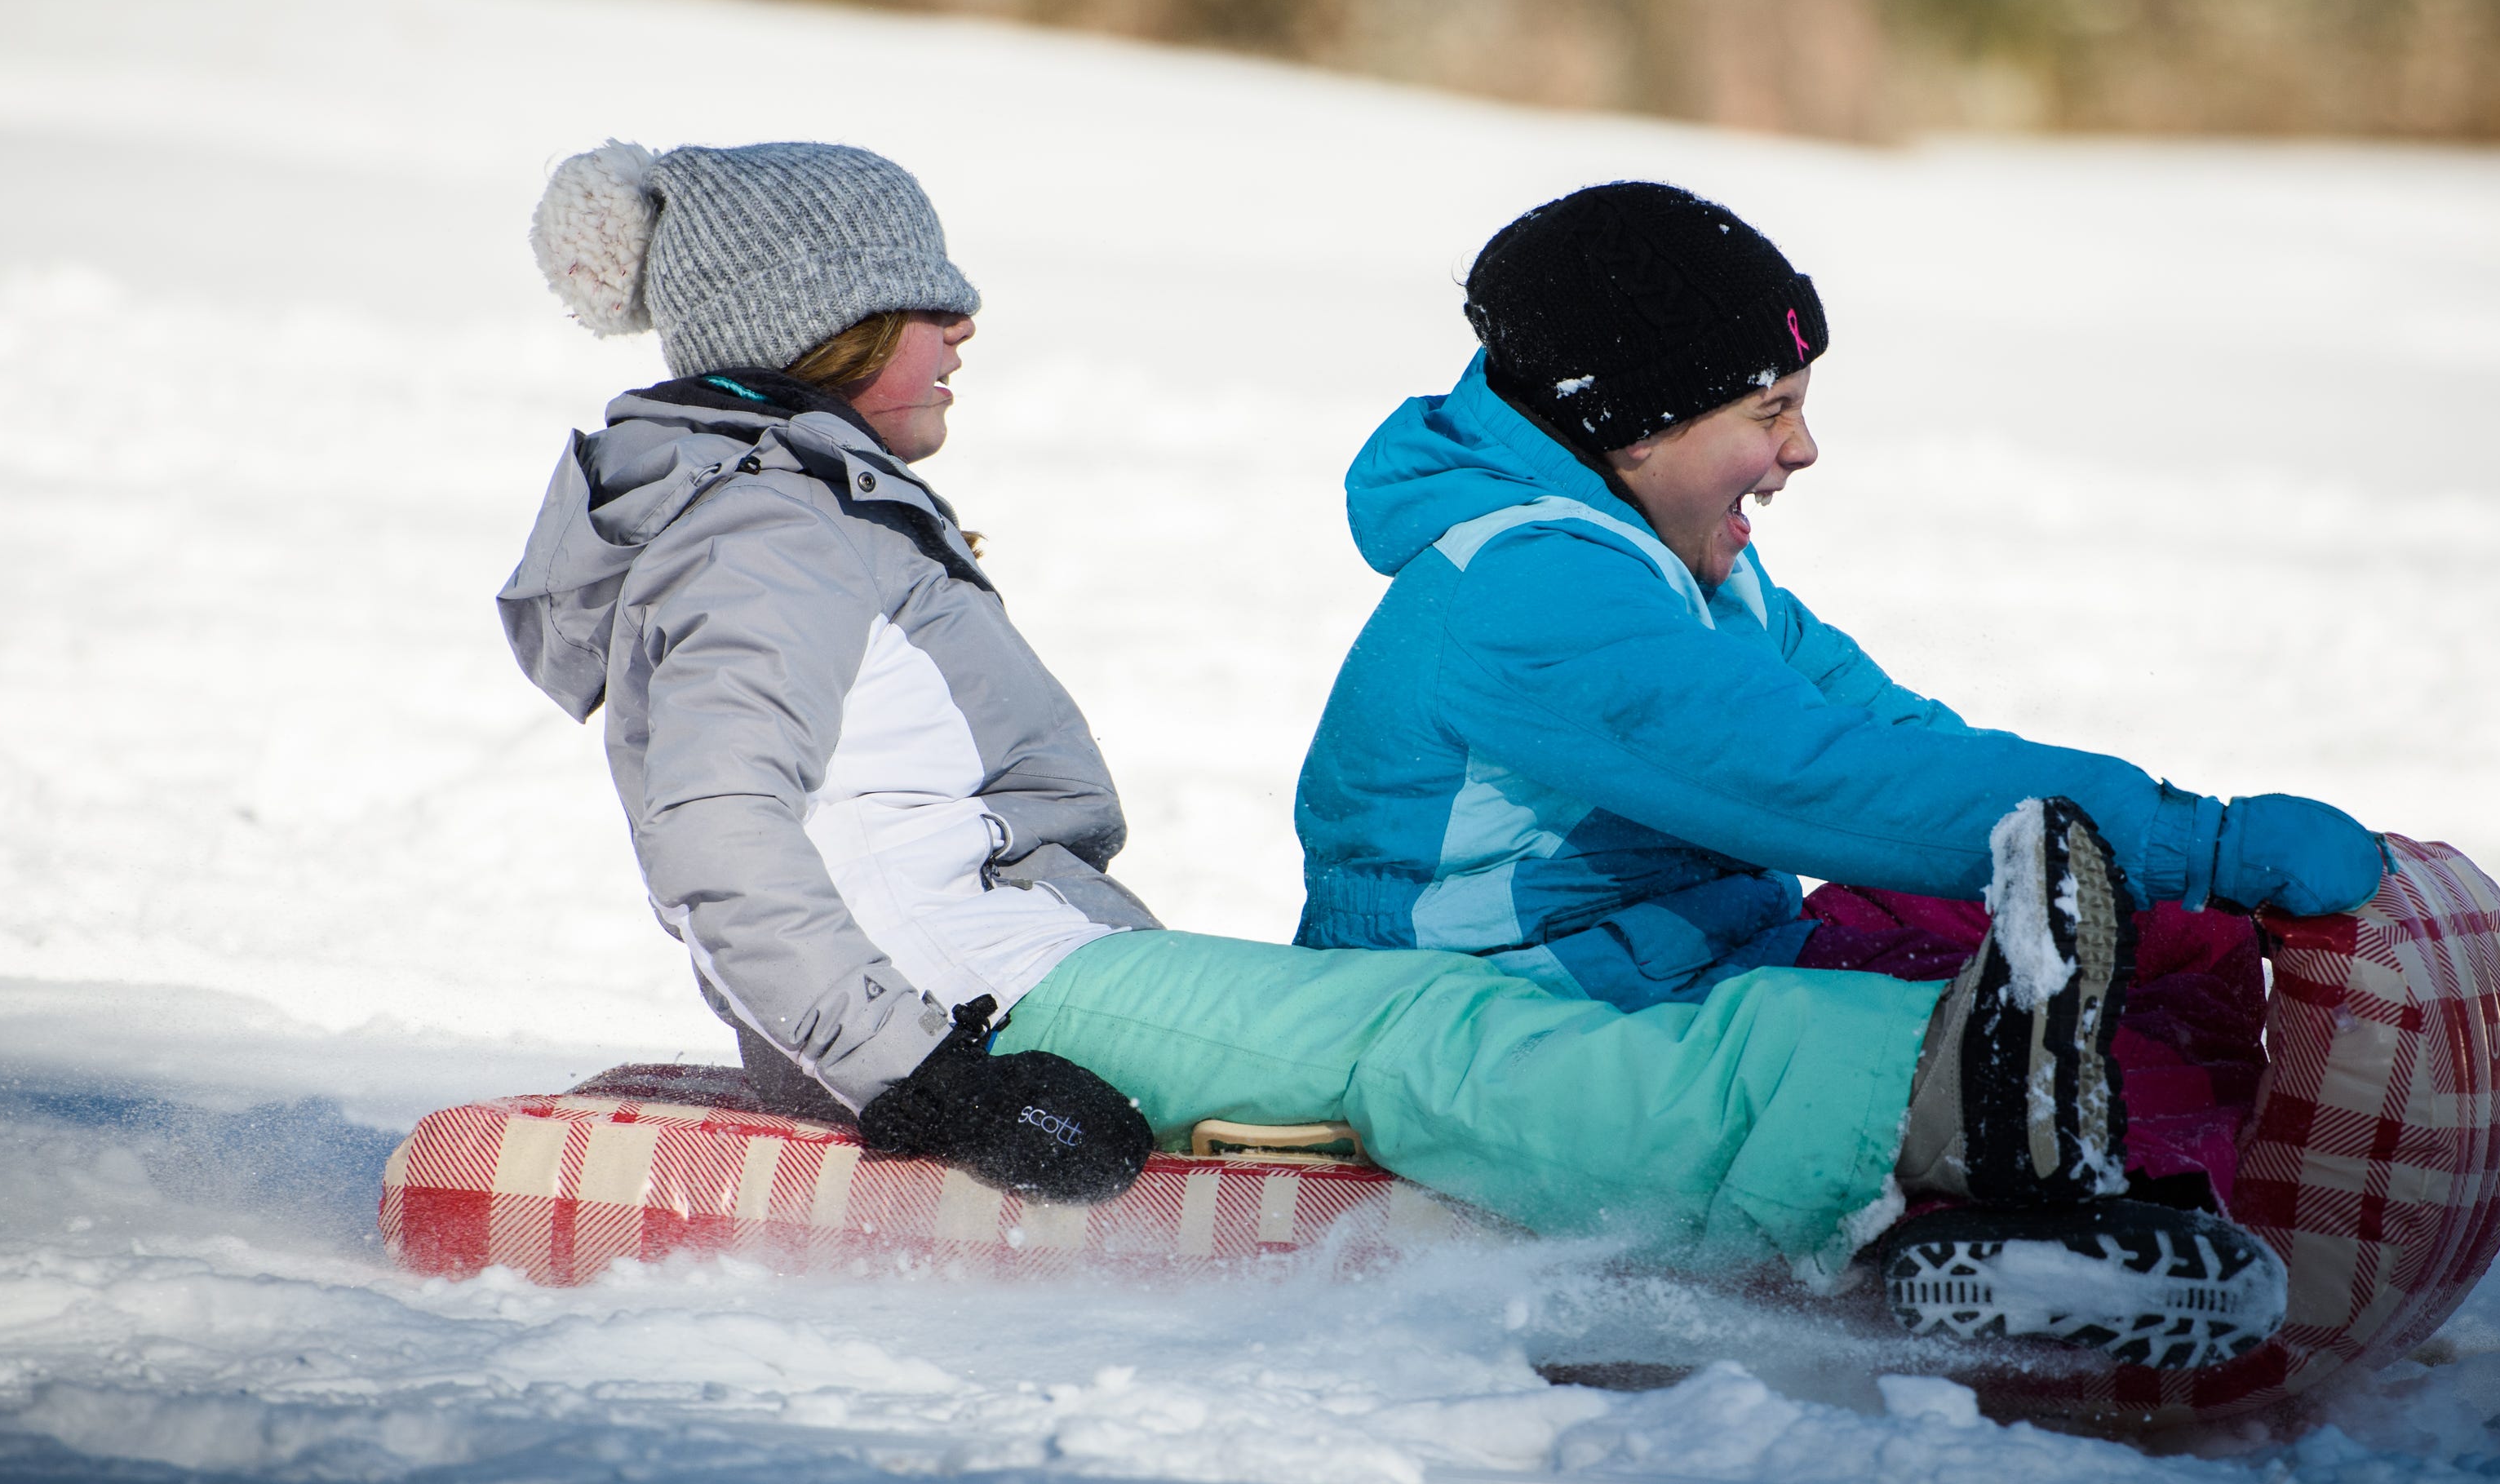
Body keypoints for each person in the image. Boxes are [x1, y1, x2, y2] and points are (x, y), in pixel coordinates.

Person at [494, 139, 2290, 1367]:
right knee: (1414, 1037)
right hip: (964, 1008)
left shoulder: (800, 516)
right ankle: (1958, 1144)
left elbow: (1855, 731)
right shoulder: (759, 540)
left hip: (1008, 973)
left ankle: (2001, 1106)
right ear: (808, 331)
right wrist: (917, 1081)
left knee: (1401, 1035)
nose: (964, 323)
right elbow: (717, 834)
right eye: (918, 297)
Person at [1293, 179, 2385, 1016]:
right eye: (1769, 411)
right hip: (1494, 1011)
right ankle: (2033, 1214)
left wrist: (2152, 863)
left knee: (2126, 948)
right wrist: (2181, 846)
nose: (1802, 449)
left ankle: (2170, 1151)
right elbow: (1824, 785)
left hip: (1663, 963)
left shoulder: (1677, 562)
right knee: (1880, 1042)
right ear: (1631, 426)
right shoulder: (1535, 595)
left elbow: (1890, 738)